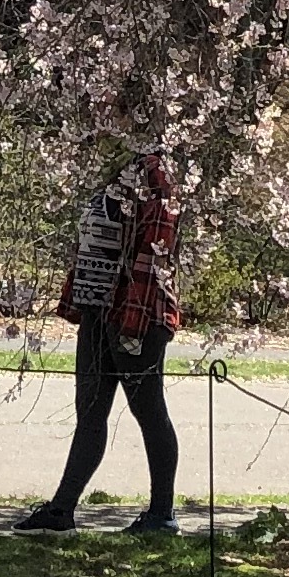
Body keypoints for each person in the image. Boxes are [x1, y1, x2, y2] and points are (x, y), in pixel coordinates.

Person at [14, 140, 182, 535]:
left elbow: (153, 253)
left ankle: (162, 514)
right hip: (98, 310)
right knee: (89, 413)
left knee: (149, 411)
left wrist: (134, 324)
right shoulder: (112, 171)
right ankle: (61, 511)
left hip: (134, 314)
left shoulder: (154, 174)